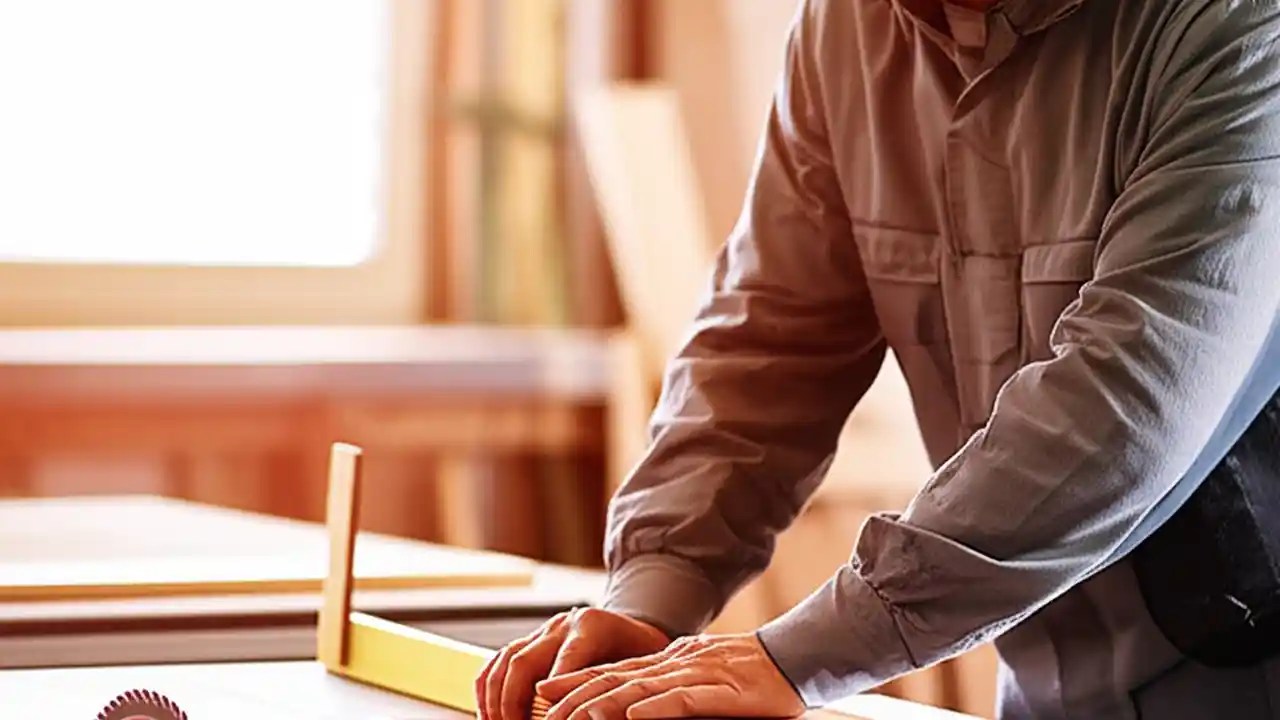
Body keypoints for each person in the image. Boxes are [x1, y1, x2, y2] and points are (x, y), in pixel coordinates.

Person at [476, 0, 1280, 717]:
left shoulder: (1242, 29)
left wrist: (806, 653)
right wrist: (653, 591)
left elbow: (1123, 406)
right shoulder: (846, 30)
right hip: (1040, 690)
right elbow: (770, 342)